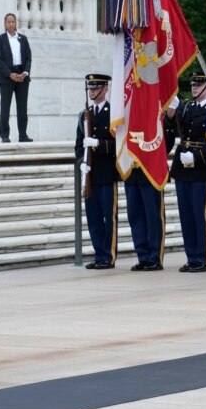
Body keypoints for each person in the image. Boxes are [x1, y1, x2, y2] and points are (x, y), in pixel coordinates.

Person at [166, 73, 206, 272]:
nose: (195, 87)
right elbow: (172, 126)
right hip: (182, 166)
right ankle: (191, 257)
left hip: (201, 167)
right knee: (186, 215)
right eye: (193, 84)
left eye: (199, 84)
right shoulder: (187, 107)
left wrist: (197, 157)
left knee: (201, 214)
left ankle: (203, 258)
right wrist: (171, 112)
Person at [75, 73, 118, 270]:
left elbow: (119, 143)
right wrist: (81, 162)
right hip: (90, 174)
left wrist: (99, 144)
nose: (92, 92)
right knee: (93, 216)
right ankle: (98, 254)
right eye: (90, 89)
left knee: (108, 216)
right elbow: (78, 145)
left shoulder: (114, 114)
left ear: (105, 89)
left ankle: (108, 255)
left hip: (107, 172)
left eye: (95, 88)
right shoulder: (85, 114)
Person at [0, 13, 32, 143]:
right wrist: (10, 74)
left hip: (22, 76)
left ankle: (23, 135)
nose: (11, 24)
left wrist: (25, 73)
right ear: (4, 24)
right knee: (5, 107)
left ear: (16, 23)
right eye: (8, 22)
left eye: (13, 22)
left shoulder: (23, 39)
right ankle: (4, 135)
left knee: (22, 107)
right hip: (6, 77)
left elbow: (28, 58)